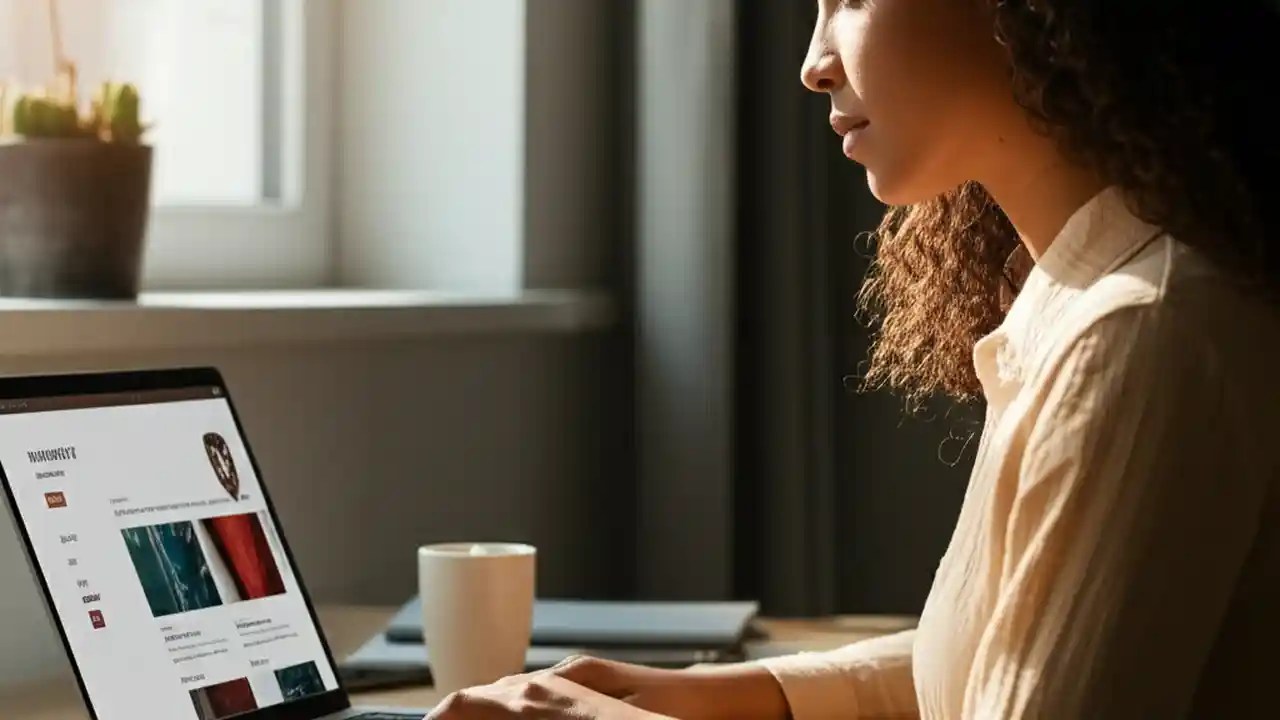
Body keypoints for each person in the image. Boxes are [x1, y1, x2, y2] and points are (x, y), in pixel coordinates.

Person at [429, 0, 1280, 717]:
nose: (814, 63)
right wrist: (697, 694)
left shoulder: (1144, 329)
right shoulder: (1074, 296)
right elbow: (987, 658)